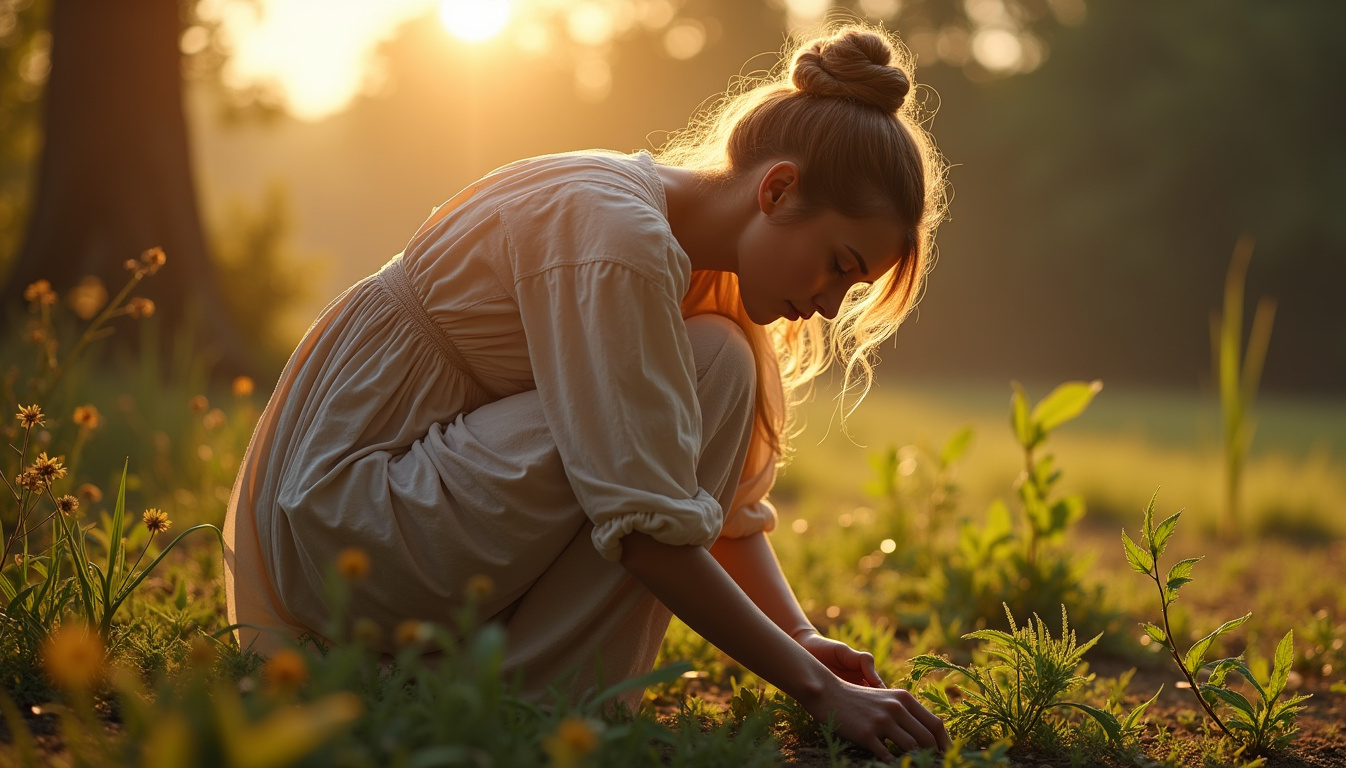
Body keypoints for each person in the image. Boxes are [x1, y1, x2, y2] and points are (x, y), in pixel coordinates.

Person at [222, 22, 950, 759]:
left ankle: (526, 688)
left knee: (720, 363)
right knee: (699, 382)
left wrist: (802, 637)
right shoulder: (620, 238)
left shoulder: (671, 250)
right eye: (838, 264)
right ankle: (532, 701)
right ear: (778, 187)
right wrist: (820, 693)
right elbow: (645, 525)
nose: (829, 303)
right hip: (349, 519)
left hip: (404, 503)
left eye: (849, 287)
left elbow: (721, 514)